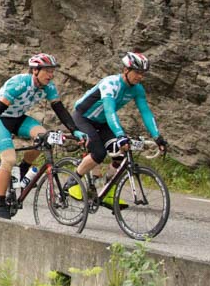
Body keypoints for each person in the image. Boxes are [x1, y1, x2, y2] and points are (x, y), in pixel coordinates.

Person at [0, 53, 79, 219]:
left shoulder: (49, 87)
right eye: (47, 71)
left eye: (52, 71)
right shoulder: (19, 83)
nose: (51, 75)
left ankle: (23, 170)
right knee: (9, 160)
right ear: (35, 71)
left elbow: (60, 109)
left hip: (18, 117)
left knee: (44, 137)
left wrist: (74, 130)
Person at [68, 52, 168, 201]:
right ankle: (71, 183)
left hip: (102, 123)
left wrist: (157, 136)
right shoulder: (111, 83)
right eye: (137, 72)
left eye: (143, 73)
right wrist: (120, 134)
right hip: (83, 118)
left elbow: (145, 112)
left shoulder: (137, 89)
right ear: (126, 70)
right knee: (99, 153)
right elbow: (109, 111)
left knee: (122, 153)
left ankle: (107, 189)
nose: (140, 77)